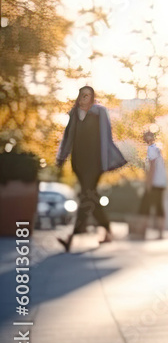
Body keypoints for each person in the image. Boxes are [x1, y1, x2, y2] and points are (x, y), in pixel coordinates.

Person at [55, 86, 127, 252]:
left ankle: (72, 237)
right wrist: (61, 157)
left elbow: (107, 137)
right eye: (82, 95)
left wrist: (109, 160)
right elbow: (68, 137)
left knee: (86, 195)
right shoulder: (74, 113)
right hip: (78, 163)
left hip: (95, 163)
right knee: (90, 196)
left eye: (88, 95)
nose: (85, 98)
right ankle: (107, 230)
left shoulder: (99, 112)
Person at [138, 130, 167, 239]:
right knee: (159, 207)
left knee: (145, 207)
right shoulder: (158, 148)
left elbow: (152, 167)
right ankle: (160, 233)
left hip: (154, 182)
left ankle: (142, 232)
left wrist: (148, 183)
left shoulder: (151, 149)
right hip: (161, 182)